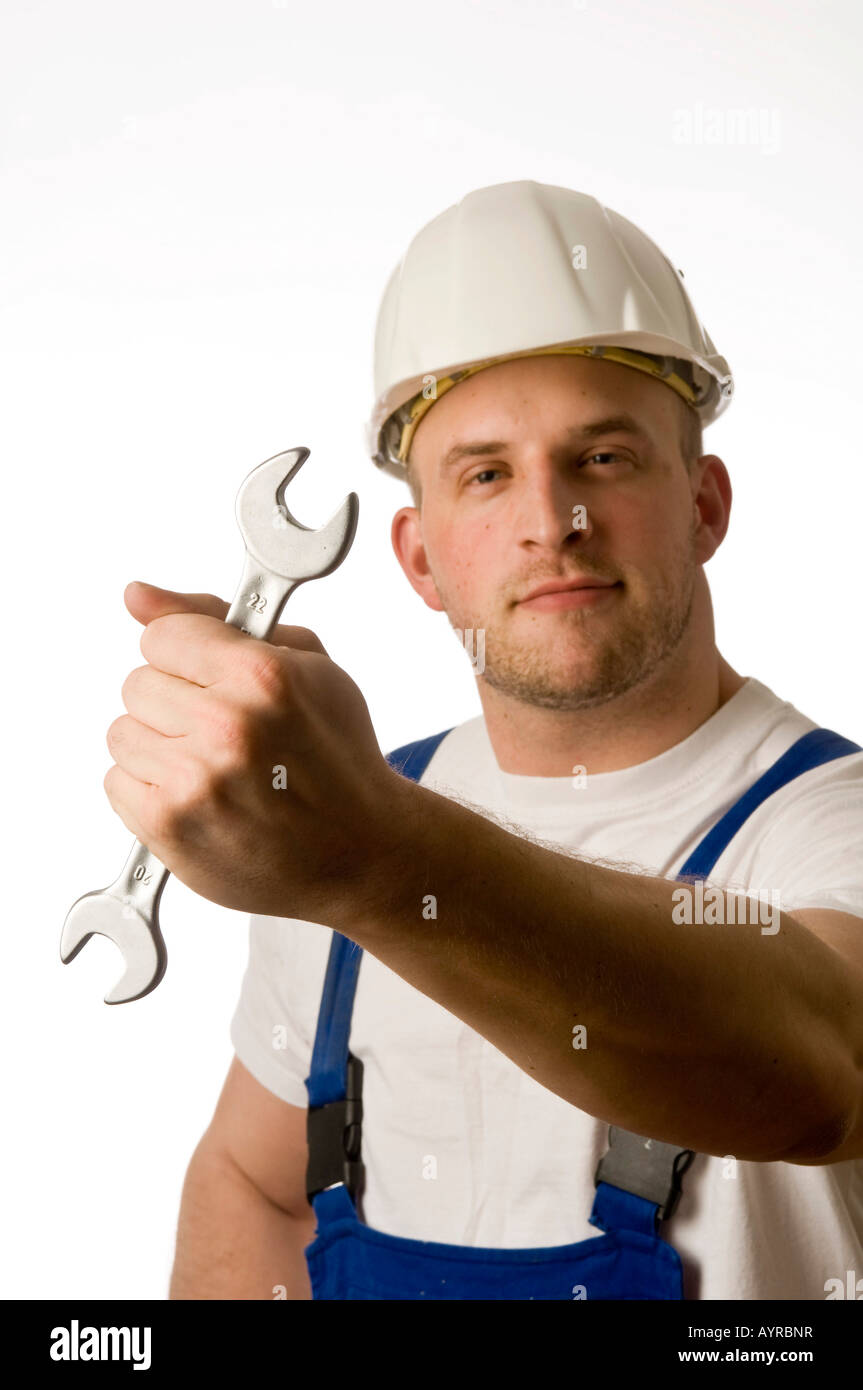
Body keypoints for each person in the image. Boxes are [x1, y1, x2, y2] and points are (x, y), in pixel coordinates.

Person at [167, 181, 863, 1300]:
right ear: (419, 560)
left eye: (602, 457)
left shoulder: (828, 822)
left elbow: (823, 1070)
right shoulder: (353, 818)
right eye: (485, 474)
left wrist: (377, 862)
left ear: (703, 504)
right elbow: (257, 1183)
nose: (552, 519)